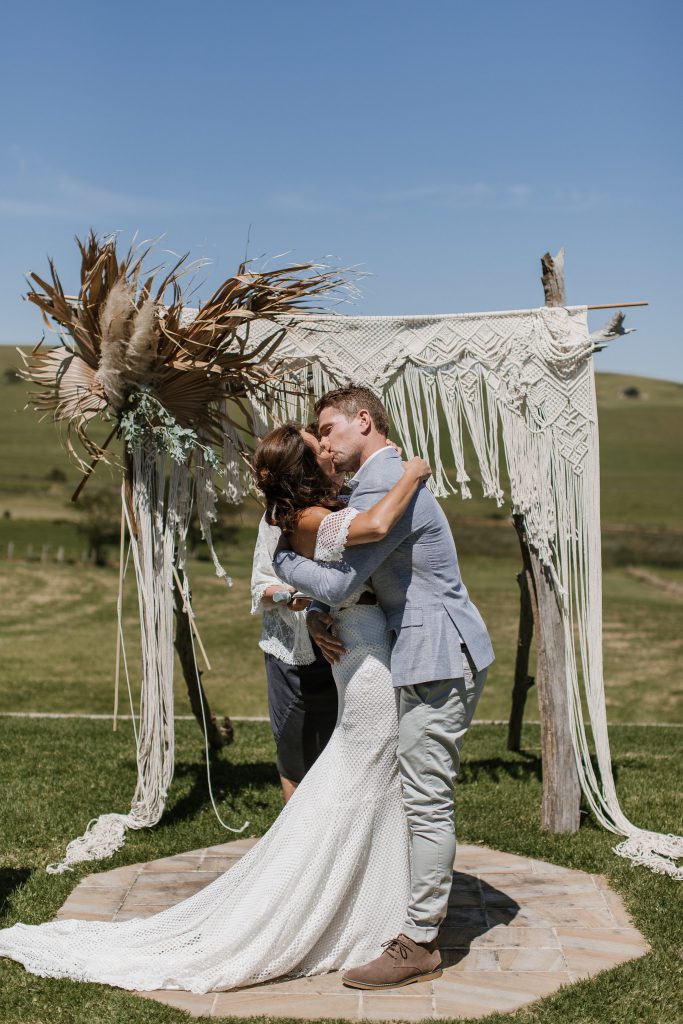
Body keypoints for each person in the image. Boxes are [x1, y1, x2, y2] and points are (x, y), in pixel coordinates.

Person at [0, 427, 432, 994]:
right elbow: (371, 535)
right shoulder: (306, 521)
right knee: (364, 782)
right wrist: (415, 471)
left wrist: (319, 609)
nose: (329, 450)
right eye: (319, 445)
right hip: (368, 663)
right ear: (307, 468)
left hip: (359, 650)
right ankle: (352, 909)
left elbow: (343, 568)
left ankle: (369, 900)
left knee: (364, 784)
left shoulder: (316, 511)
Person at [273, 385, 494, 991]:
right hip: (428, 649)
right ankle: (400, 905)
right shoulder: (386, 476)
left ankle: (420, 941)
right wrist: (319, 607)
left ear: (362, 421)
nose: (322, 441)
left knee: (425, 796)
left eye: (329, 428)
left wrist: (284, 566)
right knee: (415, 787)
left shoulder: (383, 482)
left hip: (436, 652)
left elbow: (343, 582)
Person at [250, 427, 341, 803]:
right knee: (296, 757)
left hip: (342, 649)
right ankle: (295, 847)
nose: (329, 449)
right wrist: (291, 595)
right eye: (319, 446)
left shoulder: (346, 505)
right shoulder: (276, 520)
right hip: (295, 659)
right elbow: (261, 584)